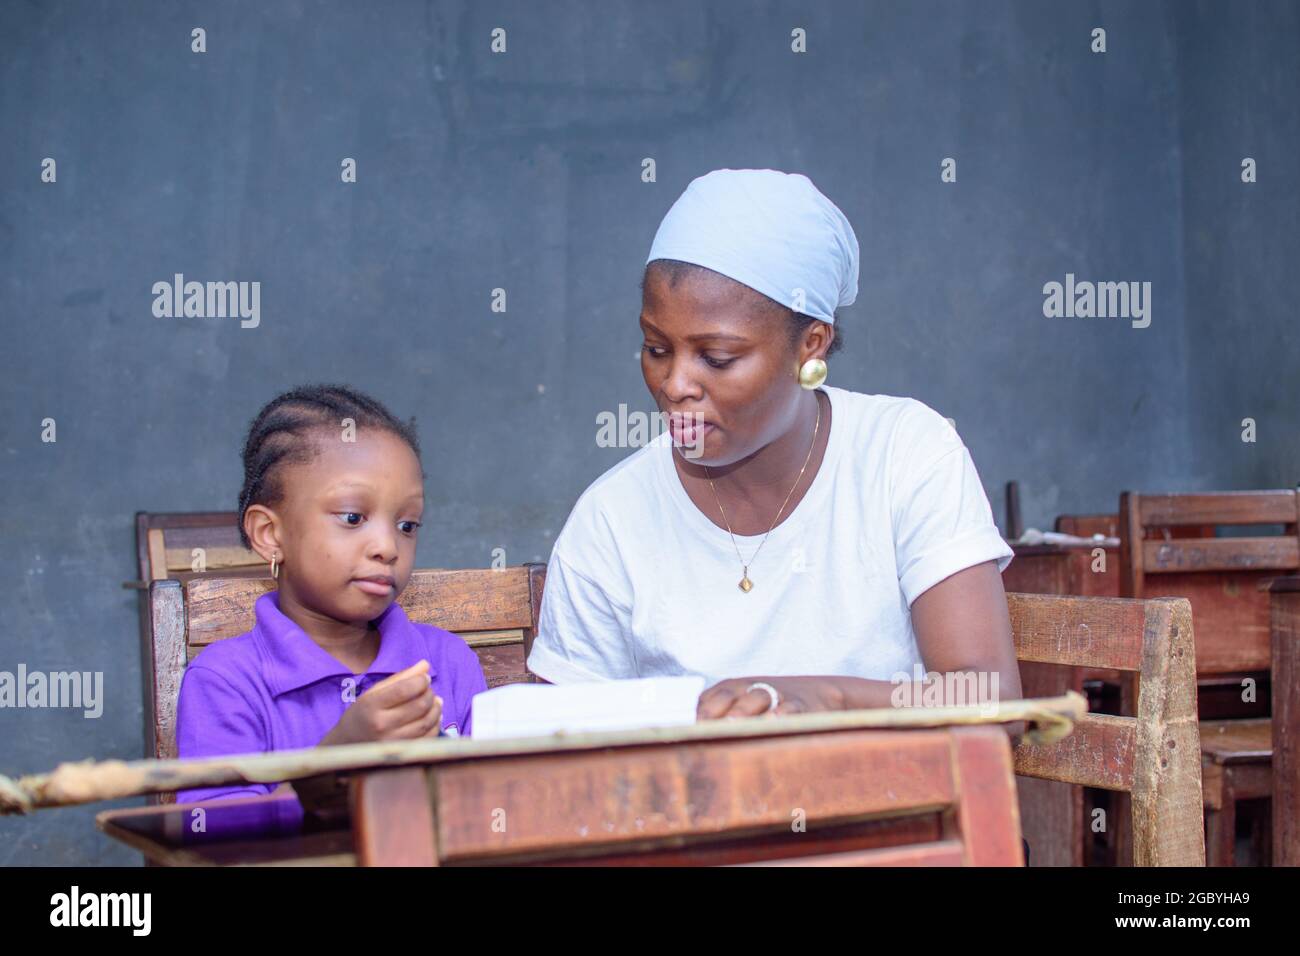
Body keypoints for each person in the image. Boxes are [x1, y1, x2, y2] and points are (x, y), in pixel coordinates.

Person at [527, 168, 1022, 723]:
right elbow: (557, 742)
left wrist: (829, 700)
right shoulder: (612, 519)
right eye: (656, 348)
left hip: (898, 807)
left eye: (716, 357)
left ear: (810, 346)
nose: (674, 385)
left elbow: (990, 701)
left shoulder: (904, 455)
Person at [174, 384, 485, 802]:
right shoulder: (226, 681)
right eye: (353, 517)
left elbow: (485, 814)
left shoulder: (447, 663)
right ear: (270, 534)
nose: (388, 547)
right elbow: (218, 846)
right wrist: (332, 767)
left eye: (407, 525)